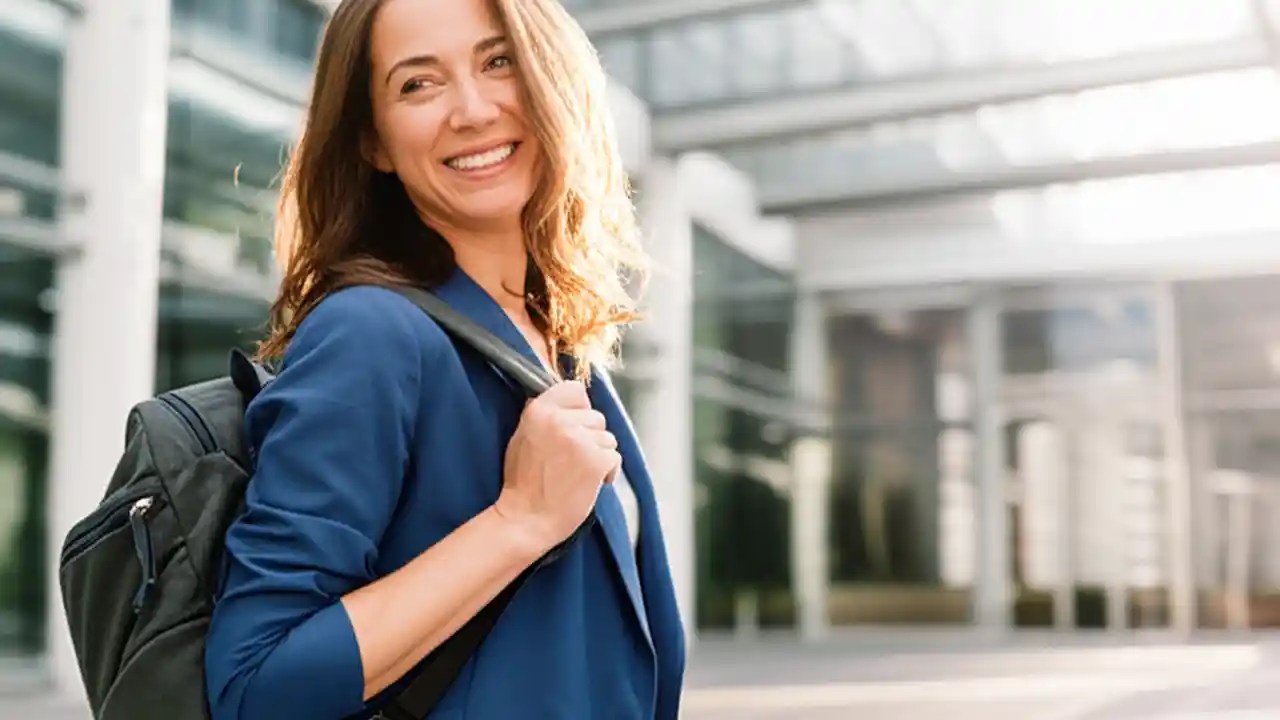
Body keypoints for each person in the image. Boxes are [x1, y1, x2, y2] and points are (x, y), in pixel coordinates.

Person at [202, 0, 686, 718]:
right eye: (417, 85)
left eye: (499, 62)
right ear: (374, 141)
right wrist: (516, 522)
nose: (472, 108)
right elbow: (256, 686)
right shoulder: (370, 334)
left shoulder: (559, 345)